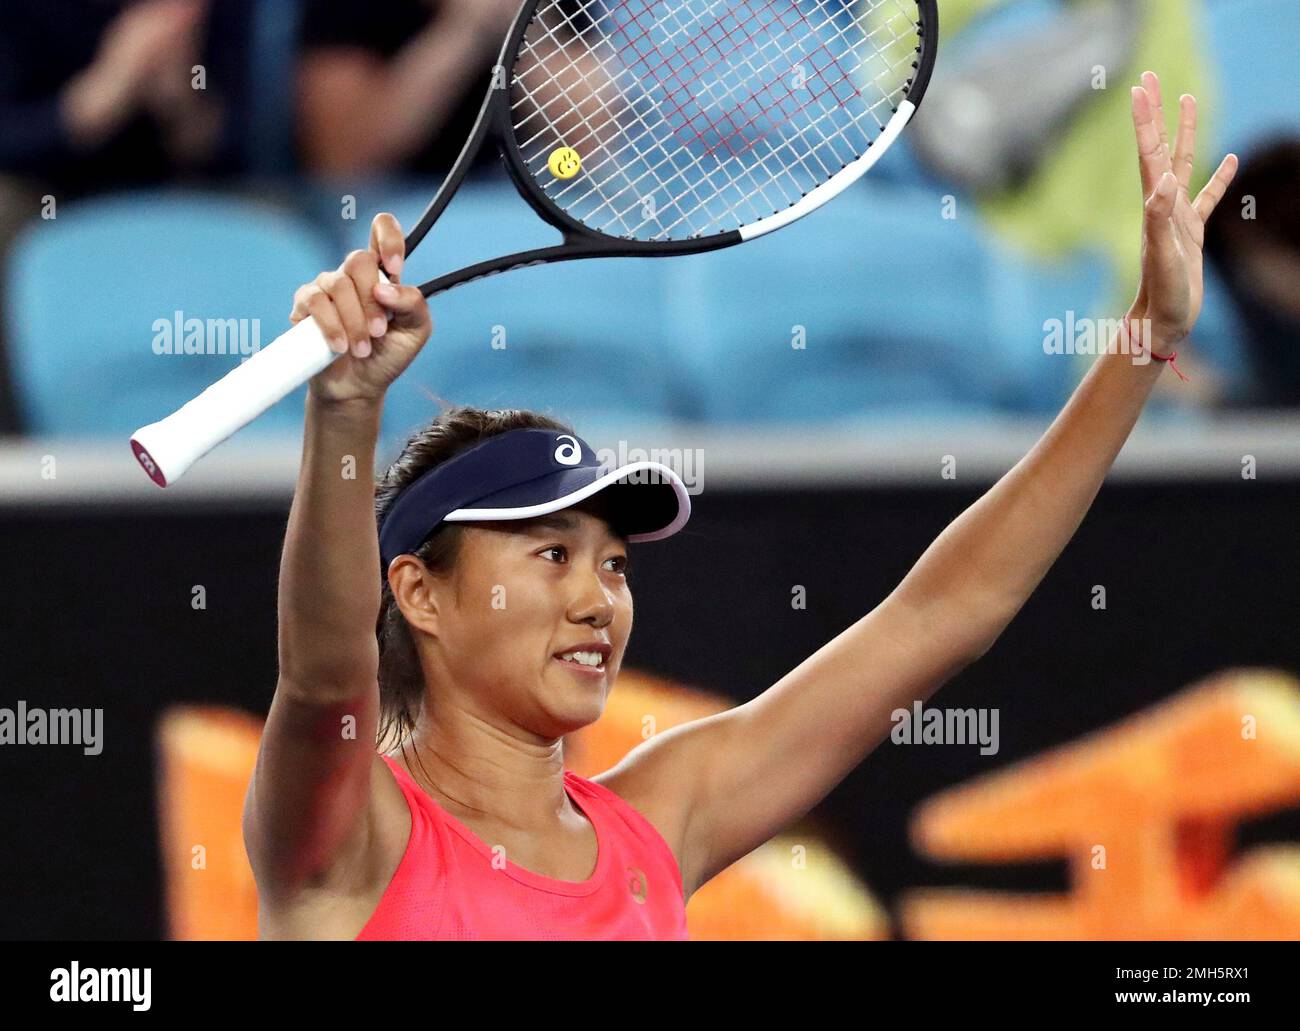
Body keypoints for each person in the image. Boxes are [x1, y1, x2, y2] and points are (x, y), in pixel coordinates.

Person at [242, 71, 1238, 939]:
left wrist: (1141, 339)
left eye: (615, 563)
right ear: (416, 589)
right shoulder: (350, 831)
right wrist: (344, 409)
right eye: (553, 555)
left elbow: (942, 614)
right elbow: (327, 673)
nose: (601, 599)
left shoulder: (662, 815)